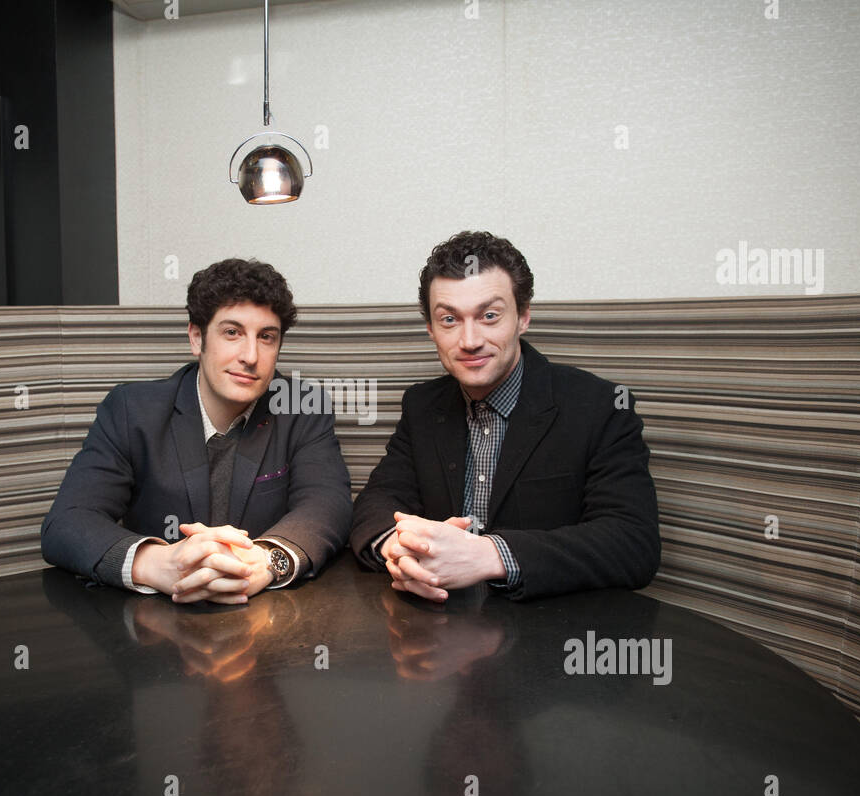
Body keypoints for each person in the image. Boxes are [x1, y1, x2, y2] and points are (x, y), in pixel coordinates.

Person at [350, 231, 660, 602]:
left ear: (523, 317)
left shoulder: (599, 406)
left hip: (553, 641)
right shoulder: (422, 405)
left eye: (489, 316)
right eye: (449, 319)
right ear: (431, 329)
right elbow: (378, 500)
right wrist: (398, 549)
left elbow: (633, 544)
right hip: (434, 630)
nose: (469, 340)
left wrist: (490, 555)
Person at [42, 258, 352, 604]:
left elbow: (329, 504)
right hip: (153, 628)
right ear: (196, 338)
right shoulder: (132, 410)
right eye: (232, 332)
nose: (250, 356)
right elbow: (67, 522)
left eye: (267, 337)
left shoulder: (300, 406)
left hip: (266, 619)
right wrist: (157, 564)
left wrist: (264, 560)